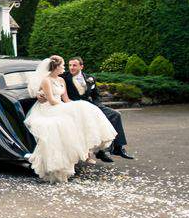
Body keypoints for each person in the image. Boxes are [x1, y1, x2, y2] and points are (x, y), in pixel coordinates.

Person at [24, 55, 119, 183]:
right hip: (48, 109)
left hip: (59, 105)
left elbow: (66, 99)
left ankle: (88, 150)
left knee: (84, 107)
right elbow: (52, 101)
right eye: (63, 65)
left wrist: (73, 106)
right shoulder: (46, 81)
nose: (65, 68)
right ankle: (65, 162)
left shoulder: (61, 80)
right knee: (68, 119)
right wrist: (69, 107)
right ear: (56, 67)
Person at [61, 57, 133, 160]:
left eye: (74, 65)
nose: (71, 67)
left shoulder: (90, 78)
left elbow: (96, 96)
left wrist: (98, 106)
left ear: (81, 66)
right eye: (70, 65)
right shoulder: (64, 77)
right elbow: (50, 77)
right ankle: (100, 151)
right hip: (75, 107)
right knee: (93, 122)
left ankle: (118, 148)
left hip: (91, 105)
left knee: (115, 115)